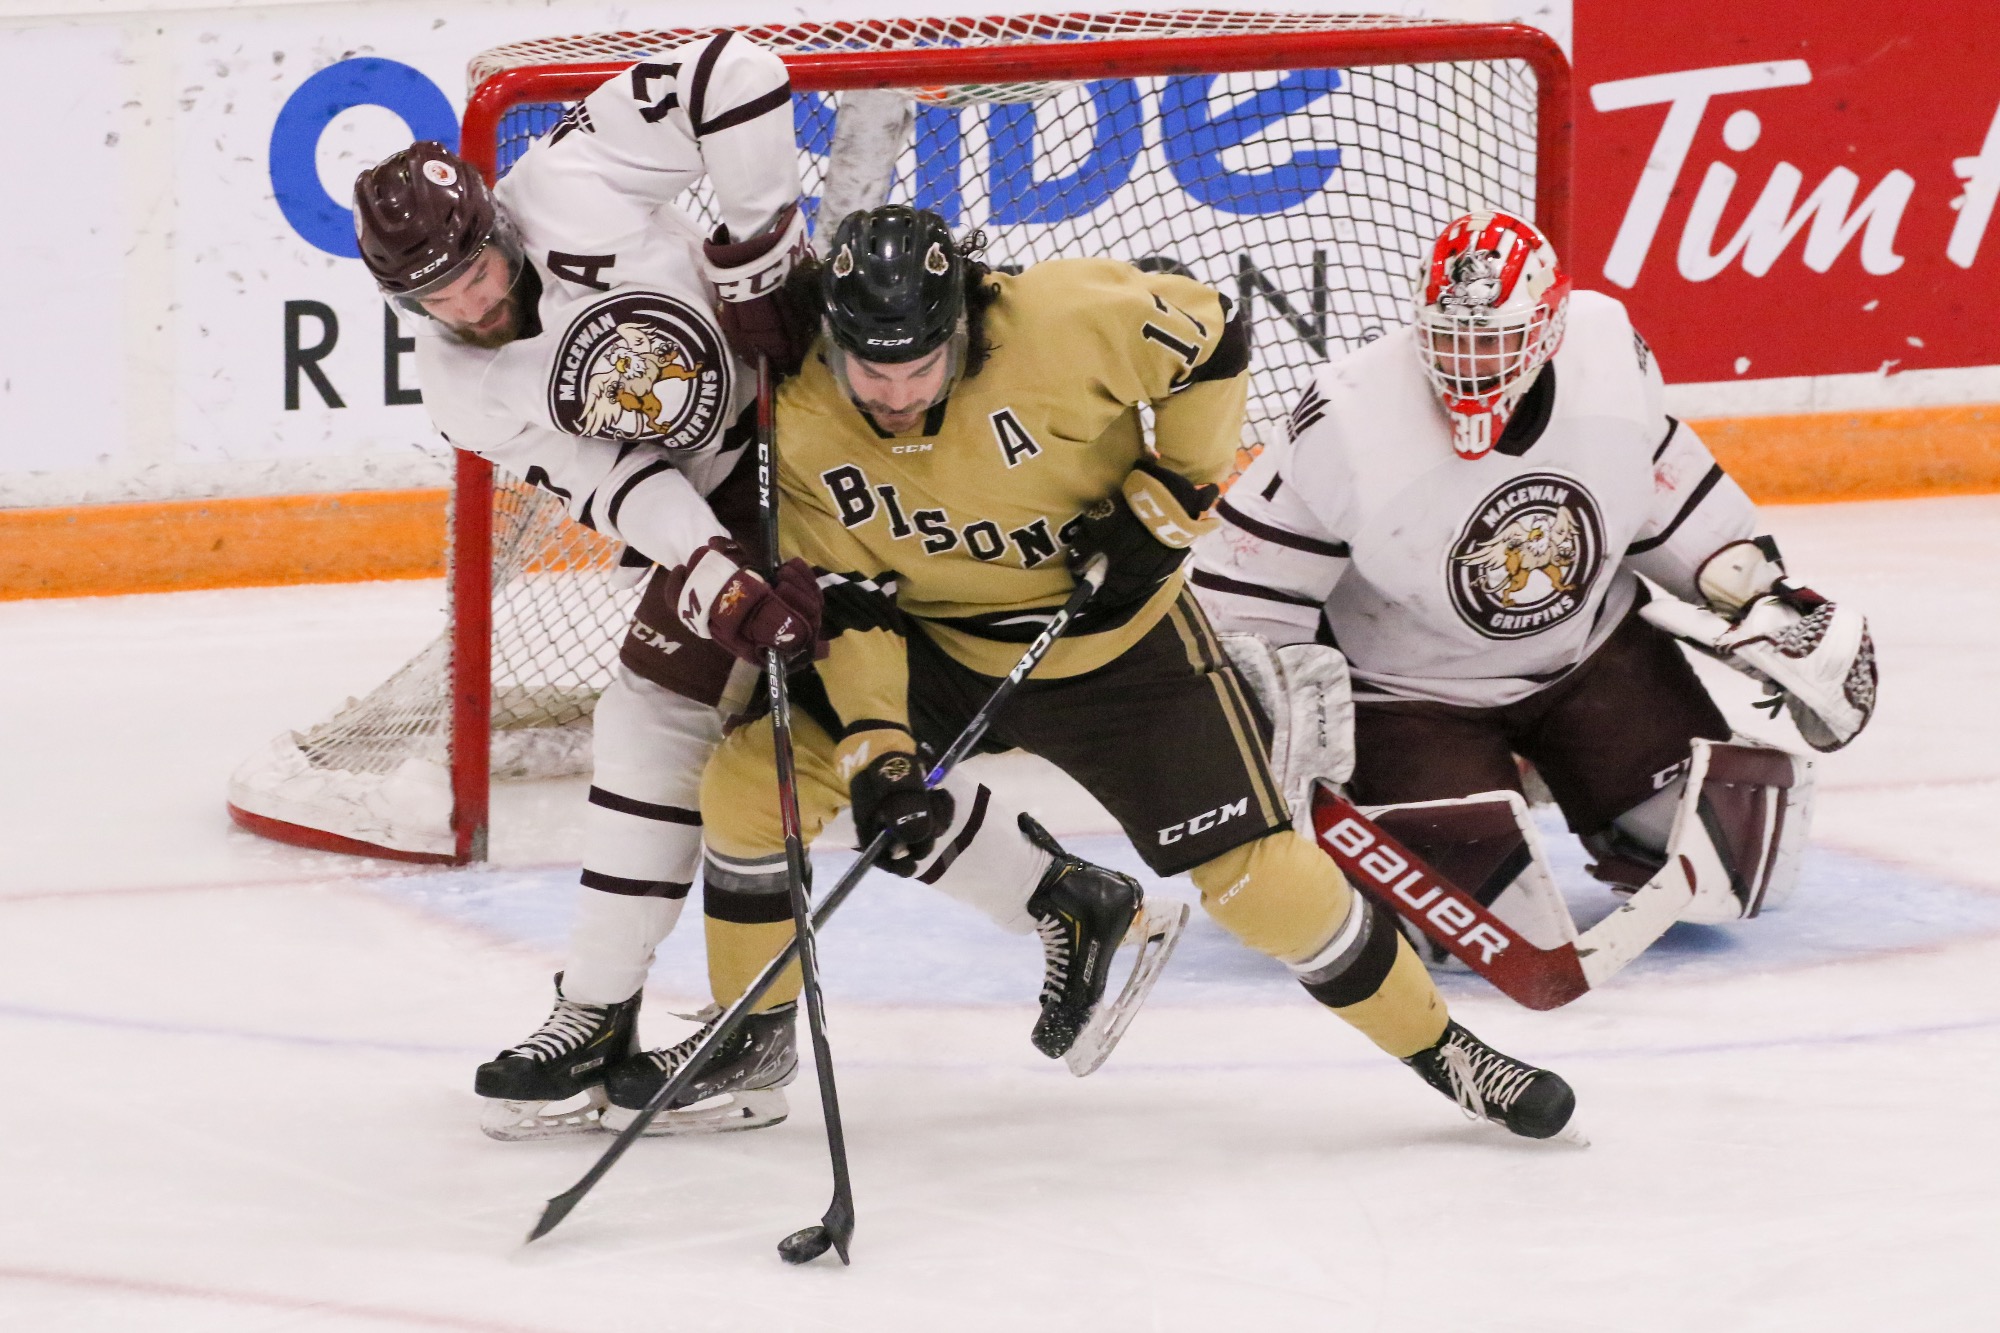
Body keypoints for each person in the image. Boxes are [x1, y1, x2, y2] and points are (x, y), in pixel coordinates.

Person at [352, 35, 1166, 1140]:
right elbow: (616, 479)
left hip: (838, 423)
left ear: (498, 225)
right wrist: (714, 574)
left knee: (772, 735)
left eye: (480, 270)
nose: (476, 302)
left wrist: (757, 254)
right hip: (735, 497)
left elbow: (730, 71)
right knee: (705, 728)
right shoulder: (459, 385)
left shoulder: (569, 185)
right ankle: (1045, 898)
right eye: (443, 297)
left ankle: (645, 1012)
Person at [679, 204, 1578, 1141]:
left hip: (1121, 649)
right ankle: (755, 1038)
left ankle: (1448, 1052)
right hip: (937, 646)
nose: (897, 394)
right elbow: (855, 604)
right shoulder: (801, 413)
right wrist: (880, 755)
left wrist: (1175, 492)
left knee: (1256, 882)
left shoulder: (1064, 318)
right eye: (874, 368)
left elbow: (1215, 333)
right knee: (752, 784)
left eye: (920, 365)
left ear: (963, 323)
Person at [1192, 210, 1875, 934]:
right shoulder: (1349, 419)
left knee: (1730, 858)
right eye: (1451, 339)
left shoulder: (1607, 357)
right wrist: (1281, 732)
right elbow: (1246, 592)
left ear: (1550, 327)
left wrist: (1766, 600)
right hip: (1414, 695)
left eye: (1494, 340)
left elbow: (1663, 486)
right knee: (1466, 914)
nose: (1470, 363)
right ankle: (1464, 776)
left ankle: (1565, 764)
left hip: (1592, 660)